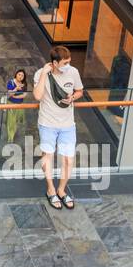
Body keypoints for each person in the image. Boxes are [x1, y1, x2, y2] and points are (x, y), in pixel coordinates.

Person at [33, 45, 83, 210]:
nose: (68, 65)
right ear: (54, 63)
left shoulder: (73, 72)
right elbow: (38, 96)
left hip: (68, 124)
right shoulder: (41, 74)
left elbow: (80, 91)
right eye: (64, 62)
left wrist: (73, 97)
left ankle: (61, 190)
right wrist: (43, 75)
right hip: (47, 123)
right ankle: (51, 189)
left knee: (69, 159)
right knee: (48, 157)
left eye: (69, 61)